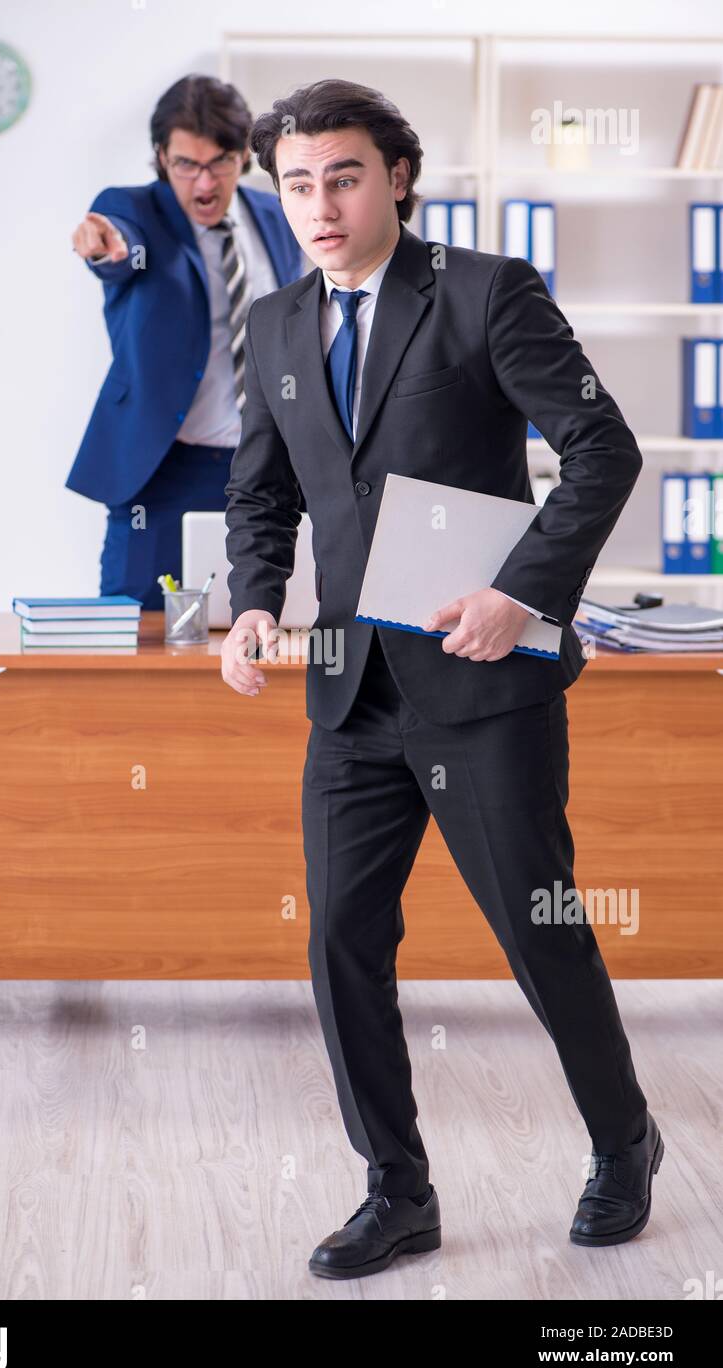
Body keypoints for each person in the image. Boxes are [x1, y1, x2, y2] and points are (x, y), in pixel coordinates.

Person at [221, 78, 663, 1280]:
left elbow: (601, 450)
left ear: (398, 178)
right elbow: (262, 493)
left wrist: (522, 592)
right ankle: (397, 1191)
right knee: (340, 944)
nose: (319, 202)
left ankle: (623, 1142)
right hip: (351, 693)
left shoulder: (485, 294)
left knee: (541, 932)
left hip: (486, 687)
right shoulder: (272, 328)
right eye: (298, 181)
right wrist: (257, 600)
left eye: (344, 176)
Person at [66, 74, 303, 608]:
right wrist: (105, 246)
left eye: (220, 161)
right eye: (186, 165)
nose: (204, 184)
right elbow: (117, 242)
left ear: (244, 155)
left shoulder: (276, 213)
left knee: (270, 629)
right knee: (139, 636)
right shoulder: (135, 211)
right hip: (163, 470)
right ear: (160, 157)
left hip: (267, 469)